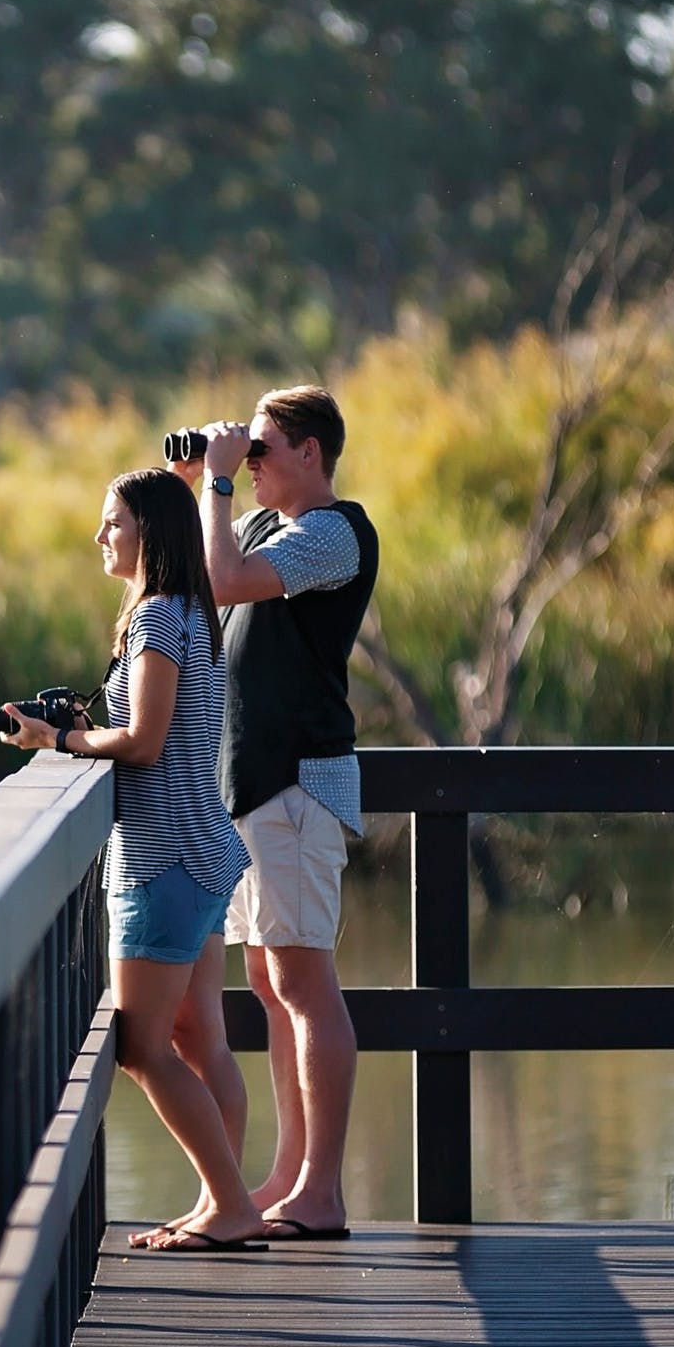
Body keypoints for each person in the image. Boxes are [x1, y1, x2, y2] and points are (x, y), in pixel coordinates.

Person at [0, 468, 262, 1252]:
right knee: (198, 1040)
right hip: (205, 852)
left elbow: (144, 742)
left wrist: (61, 739)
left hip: (161, 860)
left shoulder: (155, 619)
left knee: (144, 1047)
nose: (99, 535)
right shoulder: (194, 613)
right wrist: (90, 723)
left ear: (146, 531)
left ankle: (228, 1202)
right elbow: (162, 730)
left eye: (111, 521)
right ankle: (225, 1199)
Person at [176, 386, 378, 1243]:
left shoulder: (334, 532)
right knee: (268, 984)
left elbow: (224, 580)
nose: (250, 463)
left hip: (296, 783)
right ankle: (288, 1177)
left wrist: (220, 486)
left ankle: (321, 1191)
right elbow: (191, 580)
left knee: (302, 982)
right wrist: (195, 484)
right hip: (253, 788)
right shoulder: (259, 526)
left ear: (309, 451)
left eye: (261, 449)